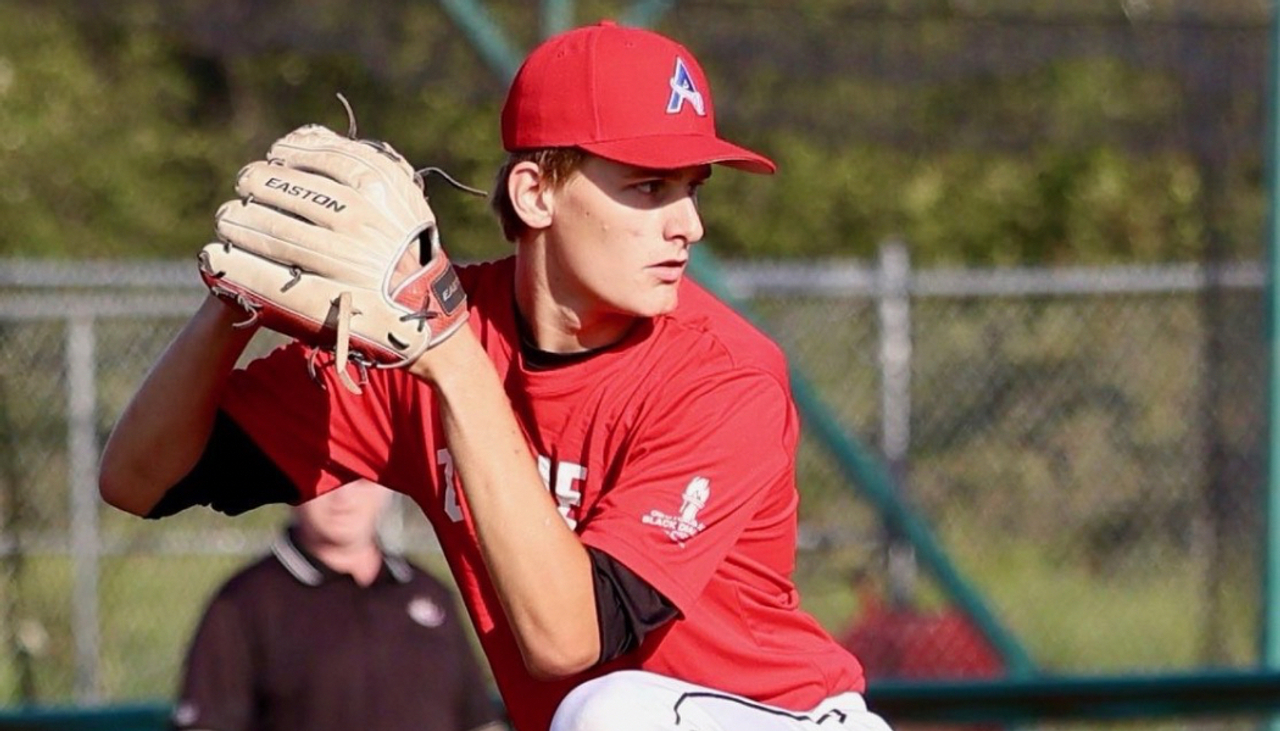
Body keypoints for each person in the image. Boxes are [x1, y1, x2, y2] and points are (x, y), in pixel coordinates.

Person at [100, 20, 895, 731]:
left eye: (691, 190)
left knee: (608, 713)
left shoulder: (722, 377)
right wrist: (235, 302)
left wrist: (449, 354)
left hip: (786, 718)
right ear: (534, 191)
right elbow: (138, 479)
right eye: (650, 187)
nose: (688, 224)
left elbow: (567, 639)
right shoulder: (424, 336)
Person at [171, 479, 506, 731]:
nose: (342, 496)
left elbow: (477, 719)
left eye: (355, 477)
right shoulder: (245, 601)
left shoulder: (429, 593)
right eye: (325, 477)